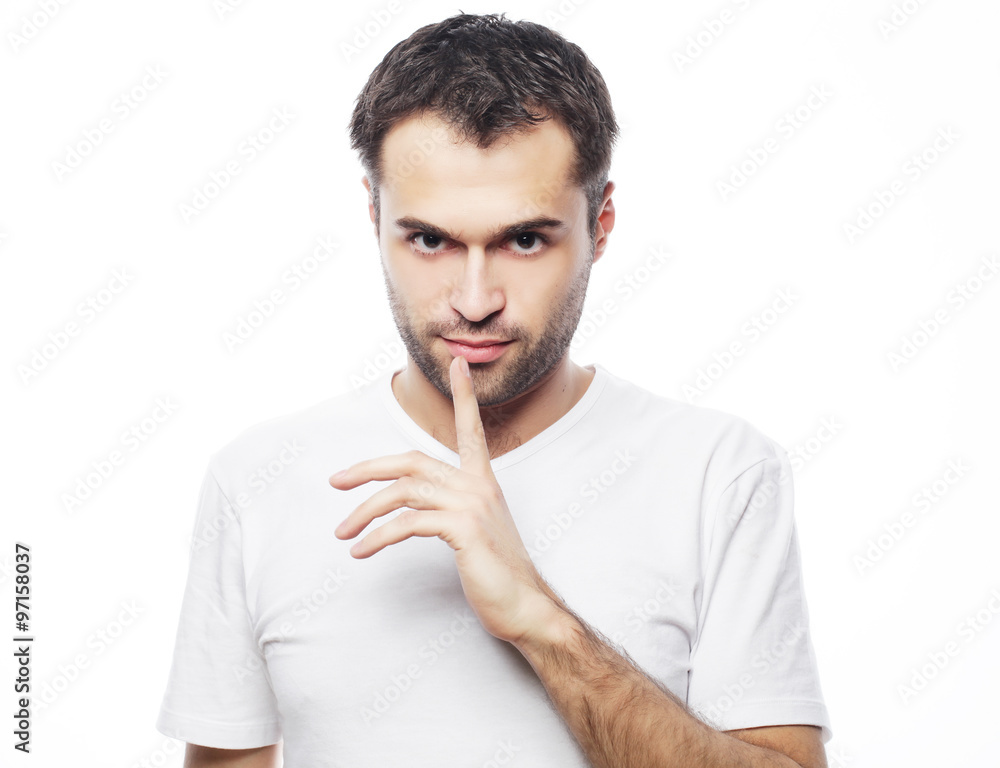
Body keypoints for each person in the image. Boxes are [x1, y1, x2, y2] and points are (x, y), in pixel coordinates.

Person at [156, 12, 832, 767]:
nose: (475, 300)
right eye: (431, 239)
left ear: (601, 225)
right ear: (374, 218)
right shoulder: (257, 478)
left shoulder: (720, 473)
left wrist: (540, 621)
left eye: (524, 239)